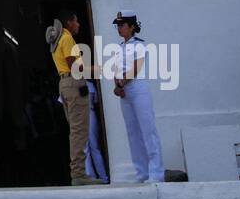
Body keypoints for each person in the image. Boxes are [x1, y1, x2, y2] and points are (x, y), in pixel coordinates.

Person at [47, 11, 103, 185]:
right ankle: (79, 174)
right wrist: (100, 69)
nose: (78, 24)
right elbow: (76, 68)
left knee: (76, 131)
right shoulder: (67, 38)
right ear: (69, 22)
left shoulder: (57, 40)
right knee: (80, 132)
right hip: (73, 83)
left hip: (65, 85)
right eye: (76, 21)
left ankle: (79, 172)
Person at [113, 12, 166, 183]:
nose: (119, 29)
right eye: (118, 26)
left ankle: (156, 173)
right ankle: (141, 172)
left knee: (148, 130)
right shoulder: (120, 46)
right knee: (133, 133)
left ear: (132, 27)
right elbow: (116, 69)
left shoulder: (139, 45)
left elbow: (136, 68)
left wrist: (122, 83)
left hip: (137, 88)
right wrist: (117, 85)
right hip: (125, 90)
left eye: (122, 25)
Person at [84, 80, 109, 182]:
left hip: (83, 115)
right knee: (92, 147)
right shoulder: (89, 84)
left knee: (87, 148)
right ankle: (101, 177)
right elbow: (95, 101)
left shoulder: (87, 84)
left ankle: (94, 177)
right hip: (90, 113)